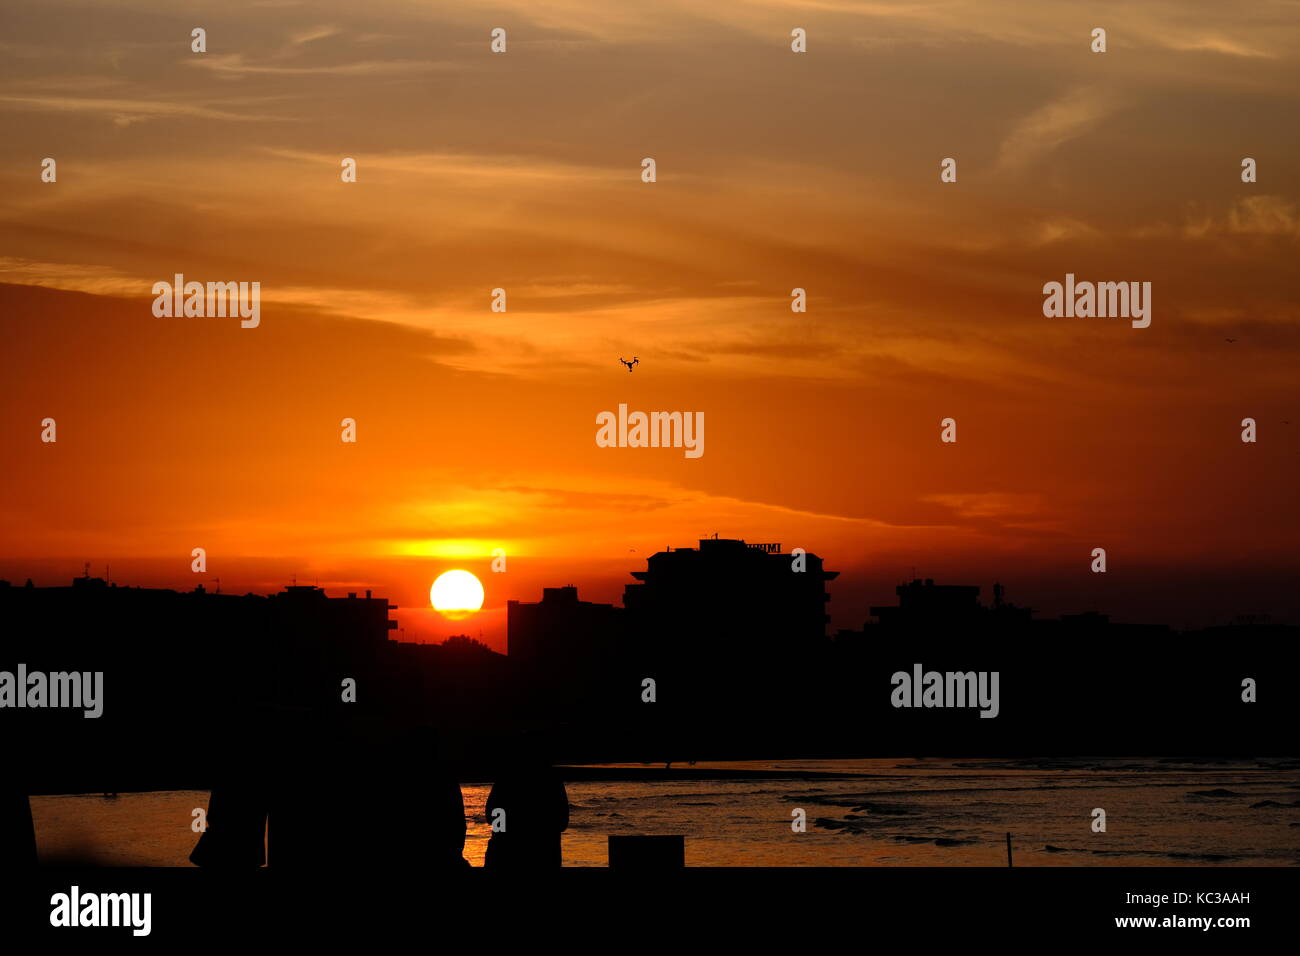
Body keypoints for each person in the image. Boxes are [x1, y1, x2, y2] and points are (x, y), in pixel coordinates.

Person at [483, 738, 568, 869]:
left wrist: (503, 836)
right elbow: (562, 822)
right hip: (545, 856)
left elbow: (492, 815)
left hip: (508, 856)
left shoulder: (505, 779)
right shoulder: (553, 781)